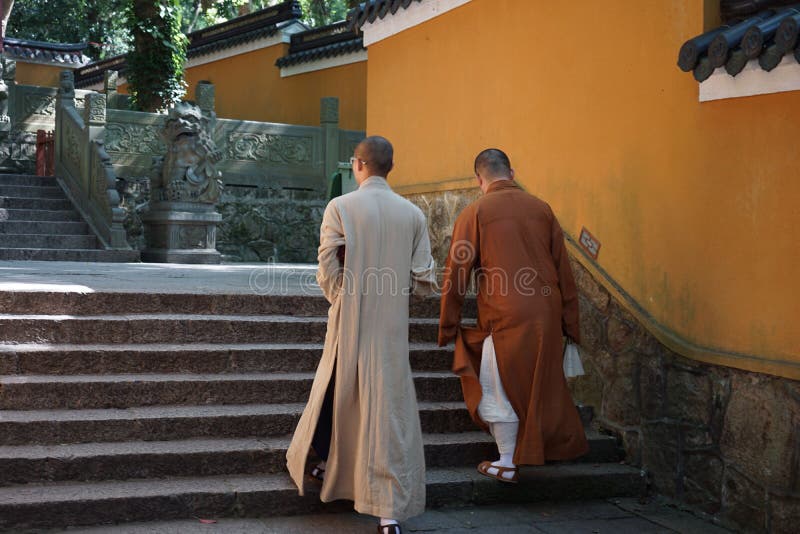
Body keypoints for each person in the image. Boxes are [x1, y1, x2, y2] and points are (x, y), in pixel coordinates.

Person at [287, 136, 436, 534]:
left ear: (357, 165)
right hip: (391, 327)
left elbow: (327, 270)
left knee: (342, 396)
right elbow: (425, 280)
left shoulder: (340, 207)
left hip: (350, 320)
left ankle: (334, 471)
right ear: (391, 167)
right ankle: (389, 512)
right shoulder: (413, 214)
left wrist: (344, 298)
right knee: (388, 409)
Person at [438, 148, 588, 484]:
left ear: (479, 180)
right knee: (537, 385)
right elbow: (564, 272)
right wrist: (570, 325)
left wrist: (448, 325)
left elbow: (457, 272)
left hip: (505, 314)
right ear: (512, 174)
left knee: (497, 386)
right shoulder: (542, 209)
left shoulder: (475, 212)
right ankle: (533, 451)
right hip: (546, 311)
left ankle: (507, 461)